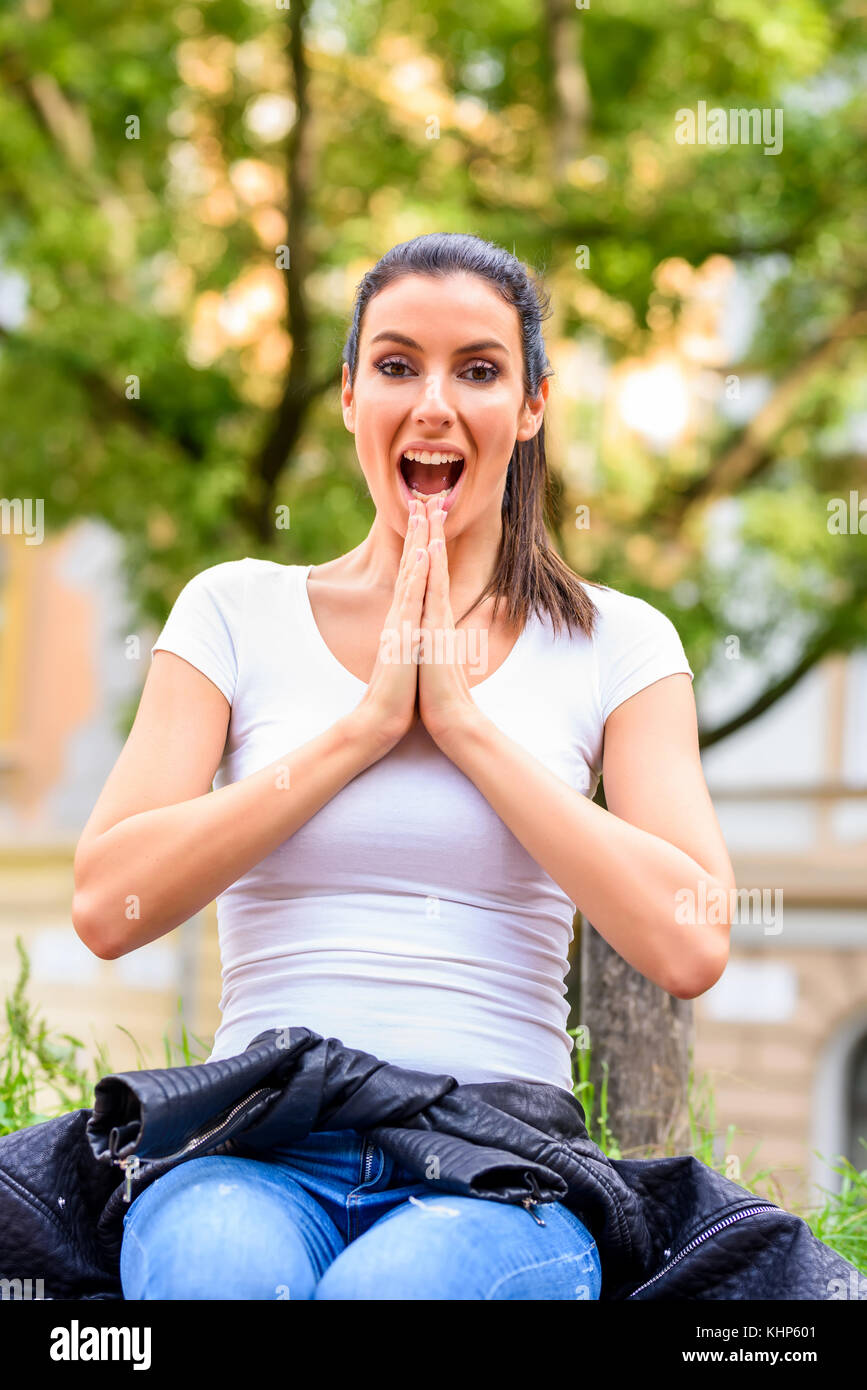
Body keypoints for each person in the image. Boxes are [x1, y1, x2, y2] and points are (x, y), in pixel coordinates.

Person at [72, 232, 736, 1299]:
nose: (433, 402)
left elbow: (692, 936)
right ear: (347, 396)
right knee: (217, 1275)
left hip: (492, 1171)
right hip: (255, 1149)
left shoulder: (621, 642)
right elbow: (109, 903)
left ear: (531, 406)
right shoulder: (234, 610)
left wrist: (466, 728)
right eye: (395, 365)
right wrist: (364, 729)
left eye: (478, 369)